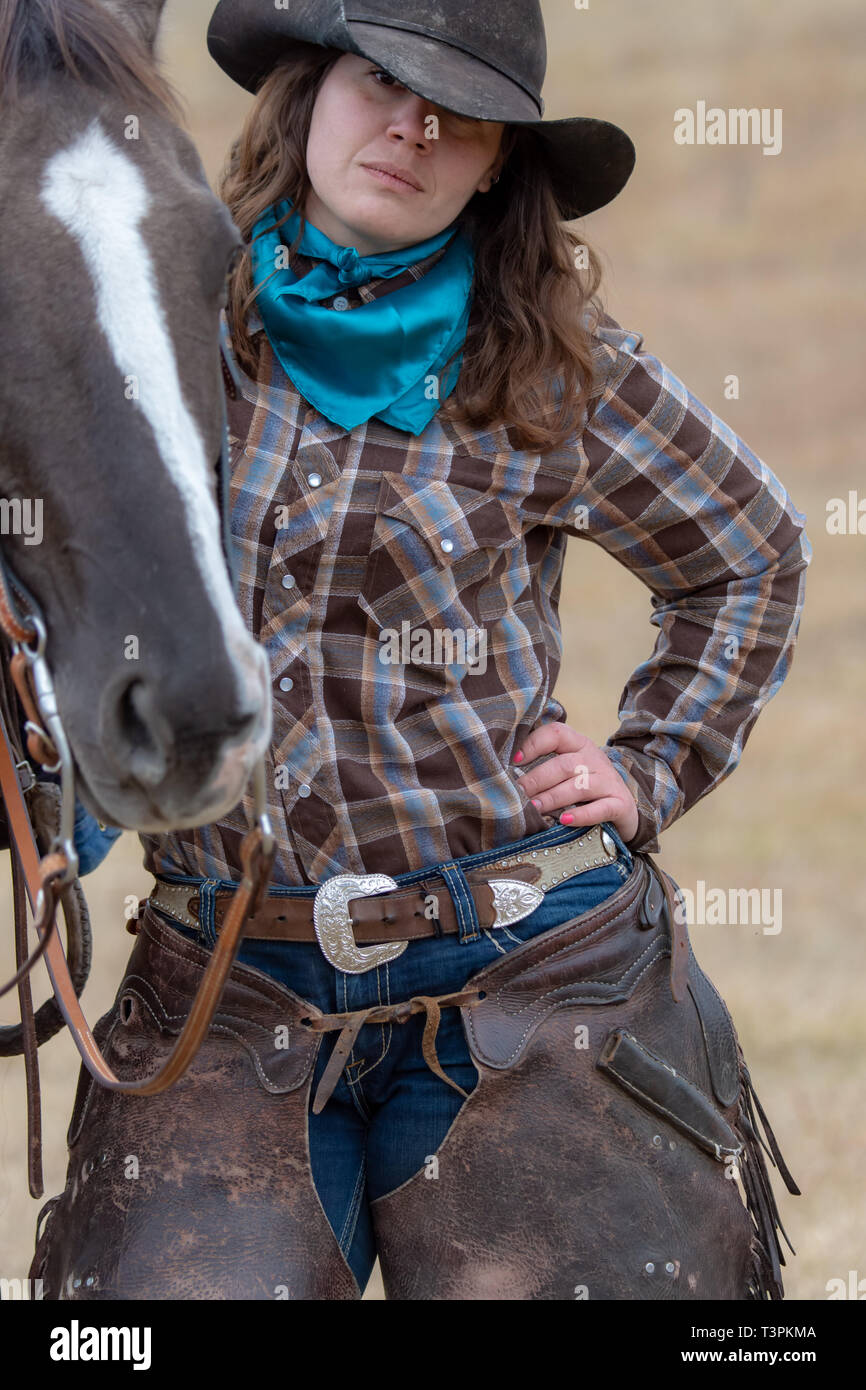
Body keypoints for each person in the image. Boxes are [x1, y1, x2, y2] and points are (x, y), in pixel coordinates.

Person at [33, 0, 810, 1301]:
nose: (412, 124)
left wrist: (650, 762)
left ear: (502, 157)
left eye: (459, 109)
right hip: (224, 973)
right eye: (377, 80)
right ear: (305, 94)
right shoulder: (170, 331)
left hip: (525, 961)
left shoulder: (551, 365)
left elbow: (751, 551)